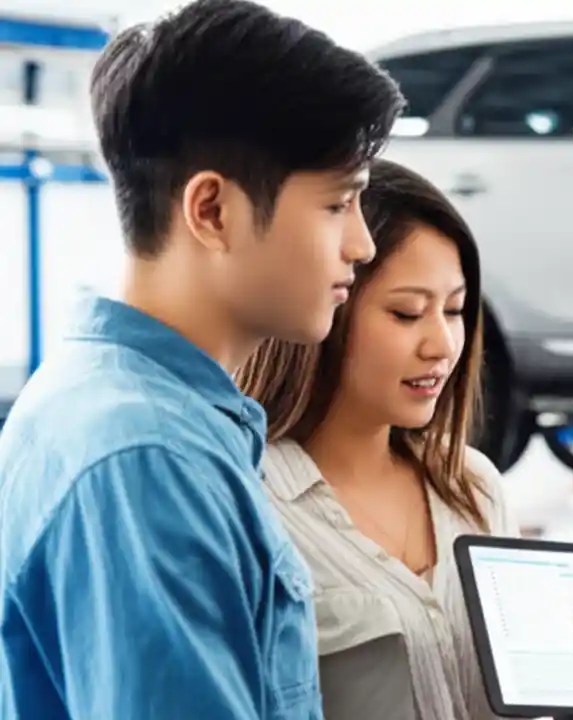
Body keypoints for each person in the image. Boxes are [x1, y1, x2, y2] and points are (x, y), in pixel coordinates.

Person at [0, 1, 404, 717]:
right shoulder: (147, 457)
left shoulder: (121, 403)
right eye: (338, 205)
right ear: (212, 211)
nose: (362, 245)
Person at [235, 157, 520, 720]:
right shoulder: (249, 503)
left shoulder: (475, 487)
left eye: (456, 310)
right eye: (407, 313)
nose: (442, 344)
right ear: (327, 307)